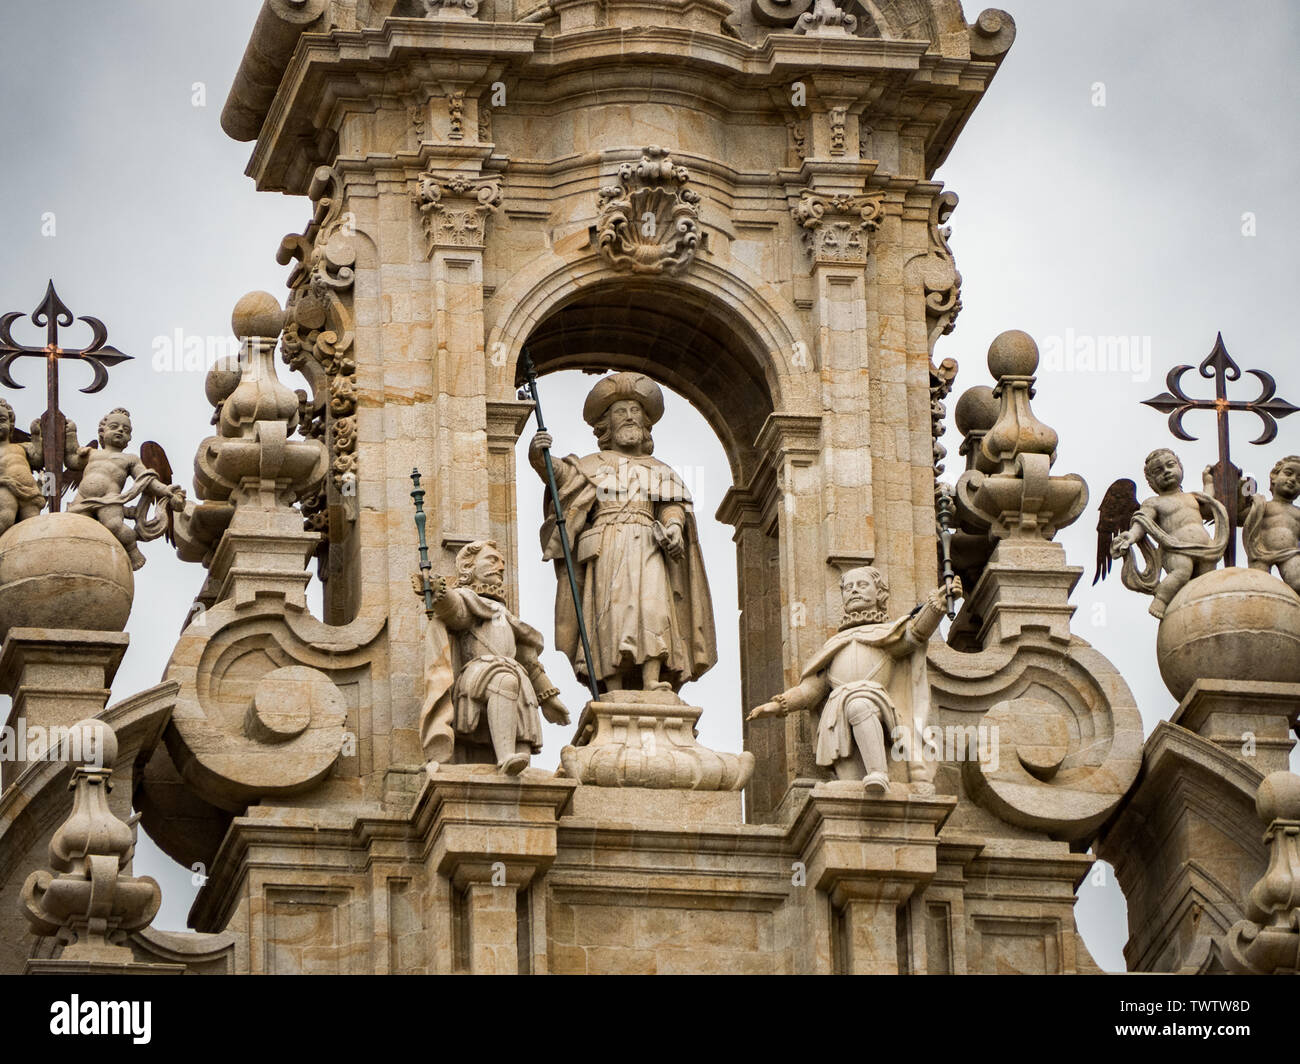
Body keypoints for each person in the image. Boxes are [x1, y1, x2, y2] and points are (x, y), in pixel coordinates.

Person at [528, 372, 715, 695]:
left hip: (648, 544)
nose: (629, 417)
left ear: (645, 424)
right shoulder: (591, 464)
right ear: (606, 425)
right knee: (609, 612)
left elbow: (672, 506)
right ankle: (610, 682)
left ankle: (652, 678)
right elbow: (559, 475)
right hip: (607, 546)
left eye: (635, 412)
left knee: (653, 608)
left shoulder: (660, 470)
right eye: (619, 412)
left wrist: (673, 528)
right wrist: (539, 454)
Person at [748, 566, 958, 795]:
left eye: (862, 585)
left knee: (859, 704)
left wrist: (937, 605)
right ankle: (860, 781)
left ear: (880, 594)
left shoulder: (887, 633)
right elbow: (812, 689)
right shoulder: (835, 644)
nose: (854, 591)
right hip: (836, 713)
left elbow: (916, 632)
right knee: (848, 779)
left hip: (874, 701)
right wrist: (779, 704)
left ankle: (879, 773)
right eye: (849, 587)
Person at [414, 540, 569, 774]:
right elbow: (453, 610)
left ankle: (521, 763)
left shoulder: (504, 614)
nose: (501, 567)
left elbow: (529, 661)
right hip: (480, 674)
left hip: (512, 673)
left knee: (522, 694)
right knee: (505, 681)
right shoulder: (469, 601)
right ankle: (505, 756)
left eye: (503, 562)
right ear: (469, 568)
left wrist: (548, 698)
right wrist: (438, 591)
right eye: (492, 560)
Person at [1111, 448, 1227, 618]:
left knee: (1206, 581)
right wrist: (1132, 535)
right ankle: (1161, 600)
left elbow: (1209, 501)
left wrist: (1208, 481)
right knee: (1181, 572)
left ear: (1180, 467)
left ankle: (1204, 608)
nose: (1166, 471)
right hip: (1176, 549)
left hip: (1205, 548)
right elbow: (1142, 522)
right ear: (1151, 481)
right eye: (1158, 471)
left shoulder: (1192, 497)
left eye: (1170, 465)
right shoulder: (1154, 502)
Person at [65, 408, 185, 570]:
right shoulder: (91, 454)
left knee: (114, 525)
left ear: (129, 438)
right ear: (102, 432)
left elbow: (146, 479)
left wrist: (166, 491)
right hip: (82, 498)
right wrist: (71, 433)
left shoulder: (129, 459)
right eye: (114, 426)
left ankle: (133, 550)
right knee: (70, 524)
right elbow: (71, 461)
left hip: (110, 500)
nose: (120, 430)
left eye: (125, 429)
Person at [1242, 455, 1300, 594]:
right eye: (1288, 473)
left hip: (1290, 554)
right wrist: (1242, 487)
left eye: (1299, 479)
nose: (1292, 480)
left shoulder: (1297, 512)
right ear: (1274, 476)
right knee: (1258, 589)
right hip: (1260, 554)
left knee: (1298, 582)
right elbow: (1238, 512)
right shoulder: (1261, 505)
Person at [0, 398, 44, 536]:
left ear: (11, 424)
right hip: (5, 487)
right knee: (5, 517)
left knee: (32, 527)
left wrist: (36, 436)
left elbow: (38, 459)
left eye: (2, 420)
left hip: (29, 492)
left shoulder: (21, 447)